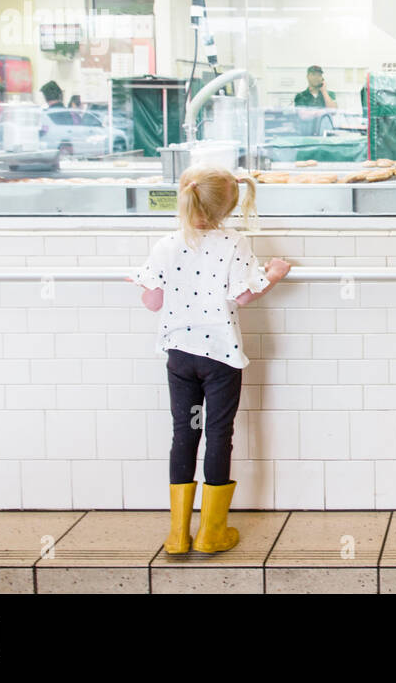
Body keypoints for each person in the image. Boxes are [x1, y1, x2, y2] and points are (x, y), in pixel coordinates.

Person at [131, 166, 292, 554]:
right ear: (228, 206)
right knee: (219, 435)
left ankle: (176, 535)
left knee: (184, 434)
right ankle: (211, 532)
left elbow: (152, 302)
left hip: (179, 357)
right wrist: (274, 274)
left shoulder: (166, 244)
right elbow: (242, 297)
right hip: (219, 358)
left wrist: (143, 284)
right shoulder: (233, 242)